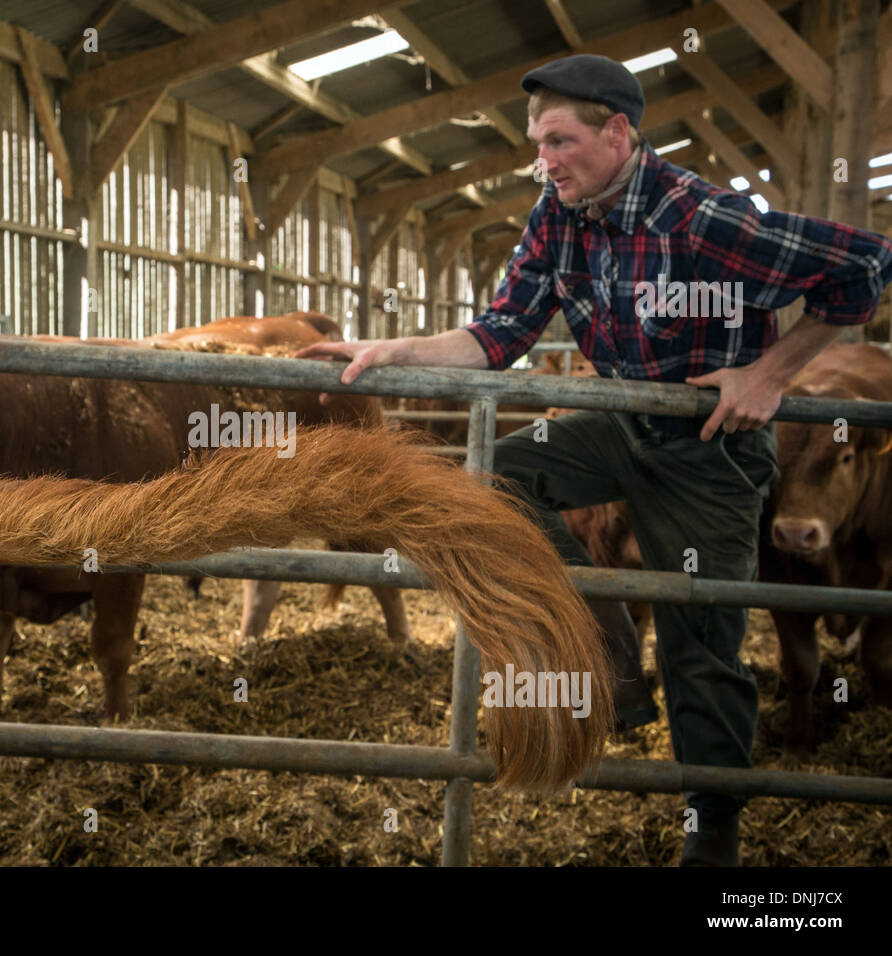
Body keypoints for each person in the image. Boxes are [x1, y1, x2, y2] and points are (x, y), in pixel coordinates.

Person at [296, 53, 892, 866]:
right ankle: (607, 645)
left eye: (558, 140)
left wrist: (771, 373)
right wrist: (391, 346)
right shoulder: (557, 215)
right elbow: (498, 334)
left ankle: (711, 836)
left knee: (701, 648)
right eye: (535, 142)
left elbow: (865, 266)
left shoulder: (703, 217)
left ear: (618, 133)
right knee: (494, 478)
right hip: (620, 422)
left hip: (709, 450)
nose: (542, 160)